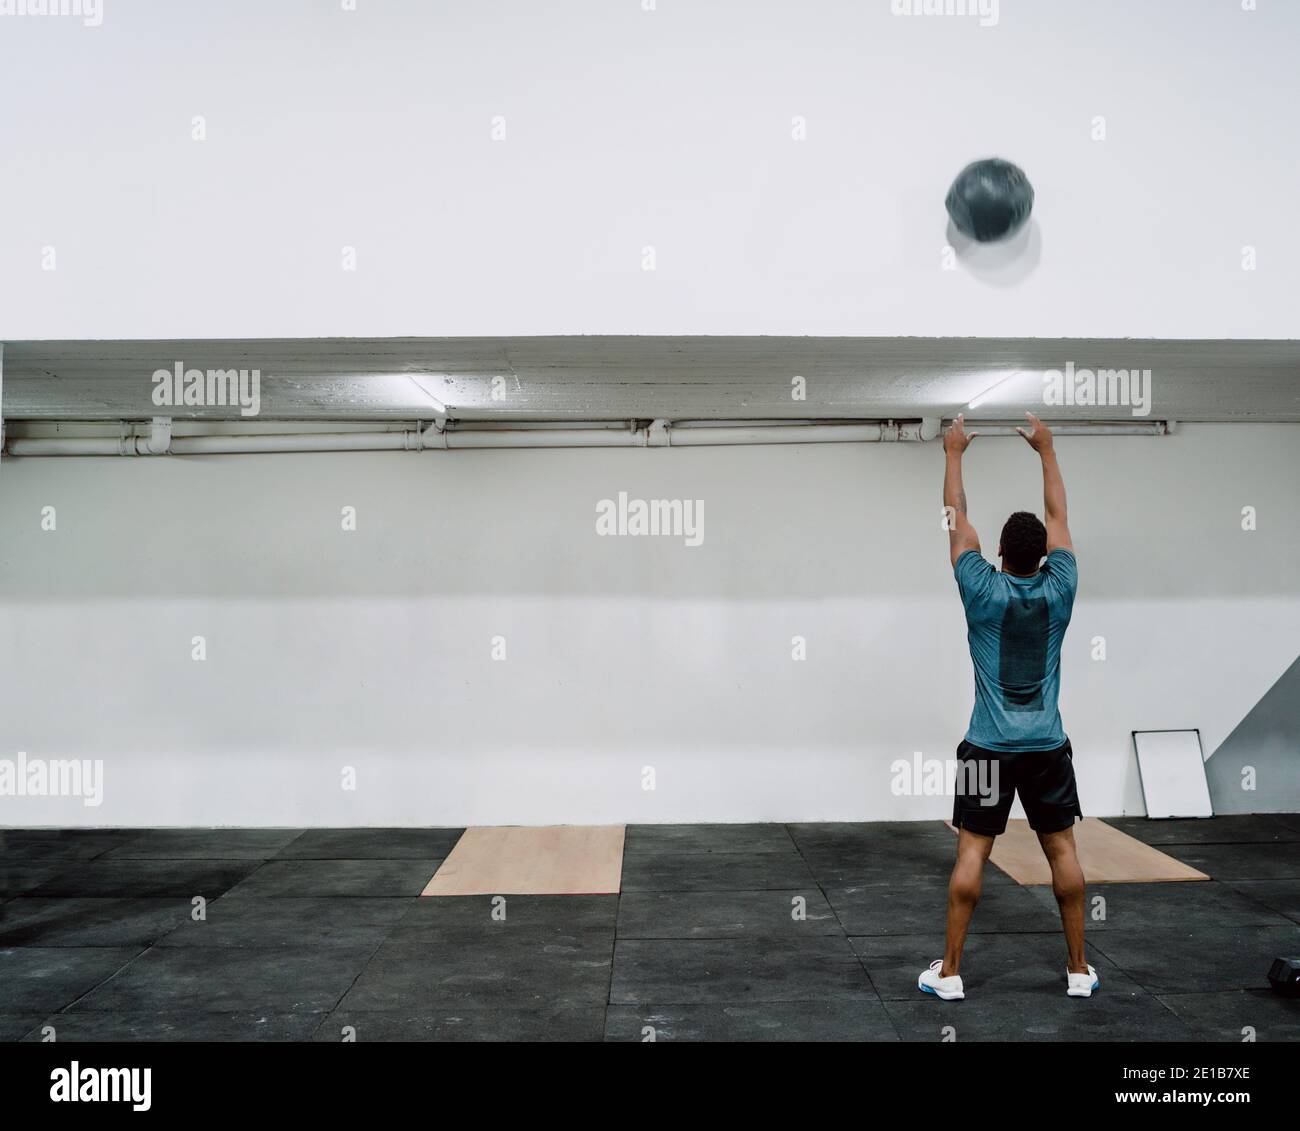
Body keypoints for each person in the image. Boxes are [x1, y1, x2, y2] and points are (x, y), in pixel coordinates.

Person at [918, 411, 1097, 1001]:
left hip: (987, 748)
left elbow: (955, 520)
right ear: (1045, 554)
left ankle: (949, 974)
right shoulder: (1061, 585)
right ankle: (1077, 971)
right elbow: (1059, 517)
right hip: (1046, 747)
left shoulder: (980, 586)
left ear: (997, 551)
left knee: (972, 853)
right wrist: (1046, 450)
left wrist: (953, 453)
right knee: (1062, 851)